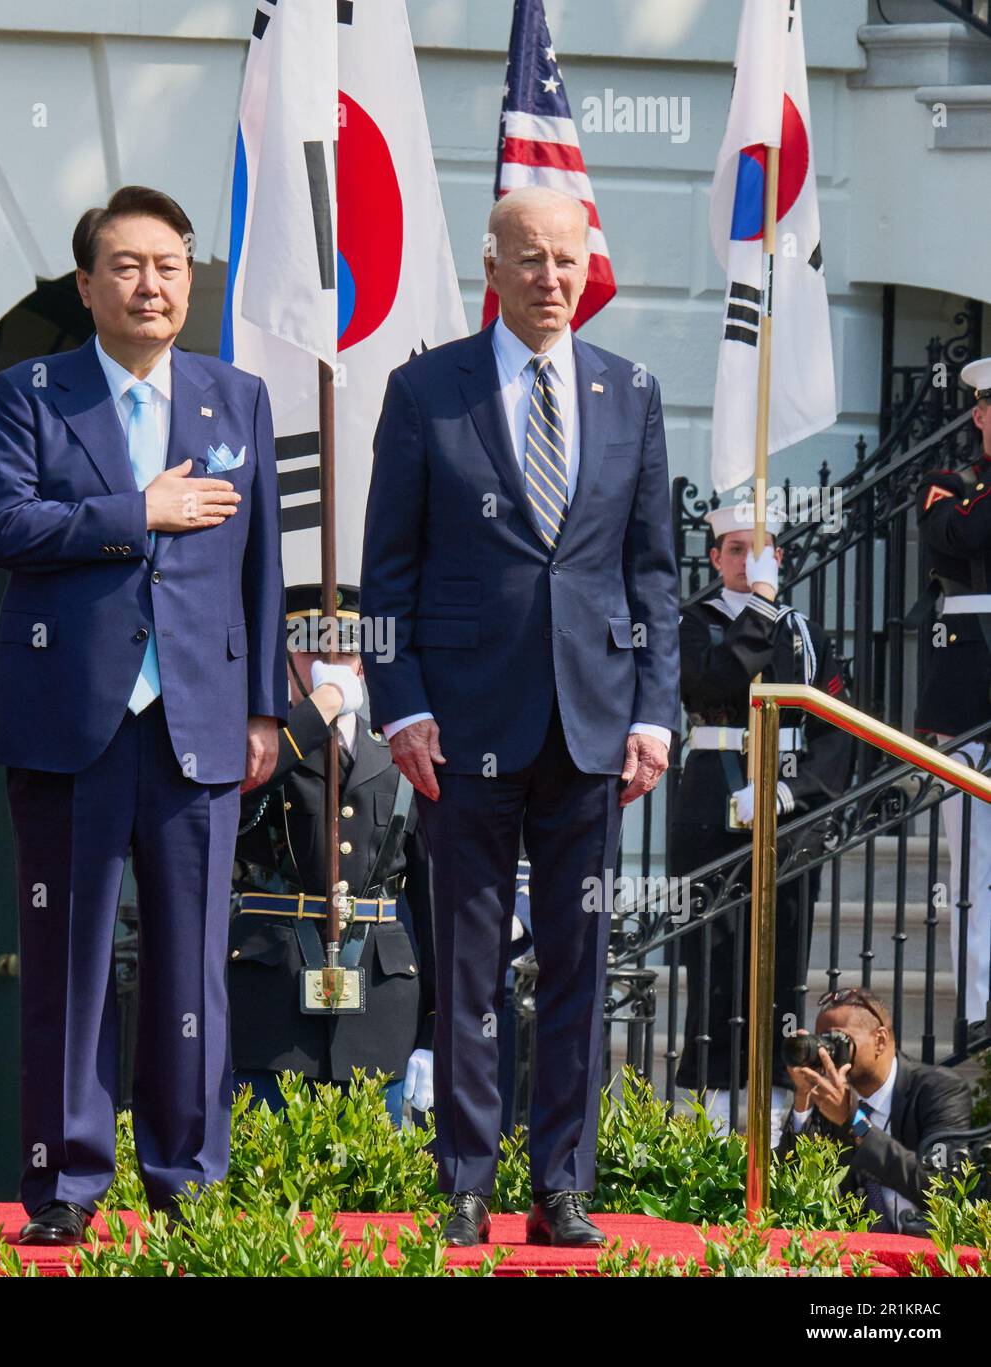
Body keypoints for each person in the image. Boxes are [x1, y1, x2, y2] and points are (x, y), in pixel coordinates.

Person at [360, 185, 680, 1247]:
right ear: (490, 267)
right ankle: (464, 1177)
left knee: (580, 958)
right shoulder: (424, 390)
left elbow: (651, 573)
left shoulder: (630, 390)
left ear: (590, 267)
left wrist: (655, 712)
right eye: (530, 259)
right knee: (465, 963)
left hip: (593, 726)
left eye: (568, 259)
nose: (553, 277)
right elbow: (386, 574)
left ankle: (561, 1184)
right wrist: (397, 702)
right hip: (459, 728)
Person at [0, 185, 287, 1245]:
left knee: (191, 962)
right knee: (66, 955)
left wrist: (264, 712)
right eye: (126, 264)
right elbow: (8, 525)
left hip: (199, 717)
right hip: (72, 715)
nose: (150, 282)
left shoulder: (235, 397)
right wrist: (136, 512)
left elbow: (260, 568)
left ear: (188, 279)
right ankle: (64, 1182)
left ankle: (185, 1177)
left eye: (168, 263)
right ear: (88, 283)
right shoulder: (30, 392)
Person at [672, 502, 851, 1134]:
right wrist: (761, 609)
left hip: (786, 811)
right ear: (716, 558)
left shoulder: (804, 631)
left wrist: (790, 793)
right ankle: (712, 1103)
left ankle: (778, 1104)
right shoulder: (693, 623)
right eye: (737, 550)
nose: (750, 561)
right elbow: (717, 684)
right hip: (710, 804)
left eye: (762, 549)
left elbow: (835, 726)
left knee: (784, 958)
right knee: (715, 959)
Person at [229, 586, 435, 1127]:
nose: (329, 665)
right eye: (312, 652)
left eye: (345, 652)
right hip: (269, 1018)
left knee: (380, 1206)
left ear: (364, 664)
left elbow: (438, 909)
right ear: (284, 660)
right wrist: (311, 717)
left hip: (380, 1018)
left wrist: (437, 1034)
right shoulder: (254, 748)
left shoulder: (397, 755)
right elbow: (234, 807)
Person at [914, 355, 991, 1033]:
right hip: (968, 696)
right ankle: (977, 1014)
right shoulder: (949, 483)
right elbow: (962, 534)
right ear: (980, 413)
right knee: (973, 869)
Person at [777, 988, 972, 1232]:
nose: (828, 1054)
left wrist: (853, 1120)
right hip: (855, 1256)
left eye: (839, 1041)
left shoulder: (939, 1090)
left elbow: (939, 1186)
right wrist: (803, 1097)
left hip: (925, 1252)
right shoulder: (832, 1098)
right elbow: (790, 1182)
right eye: (822, 1042)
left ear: (880, 1040)